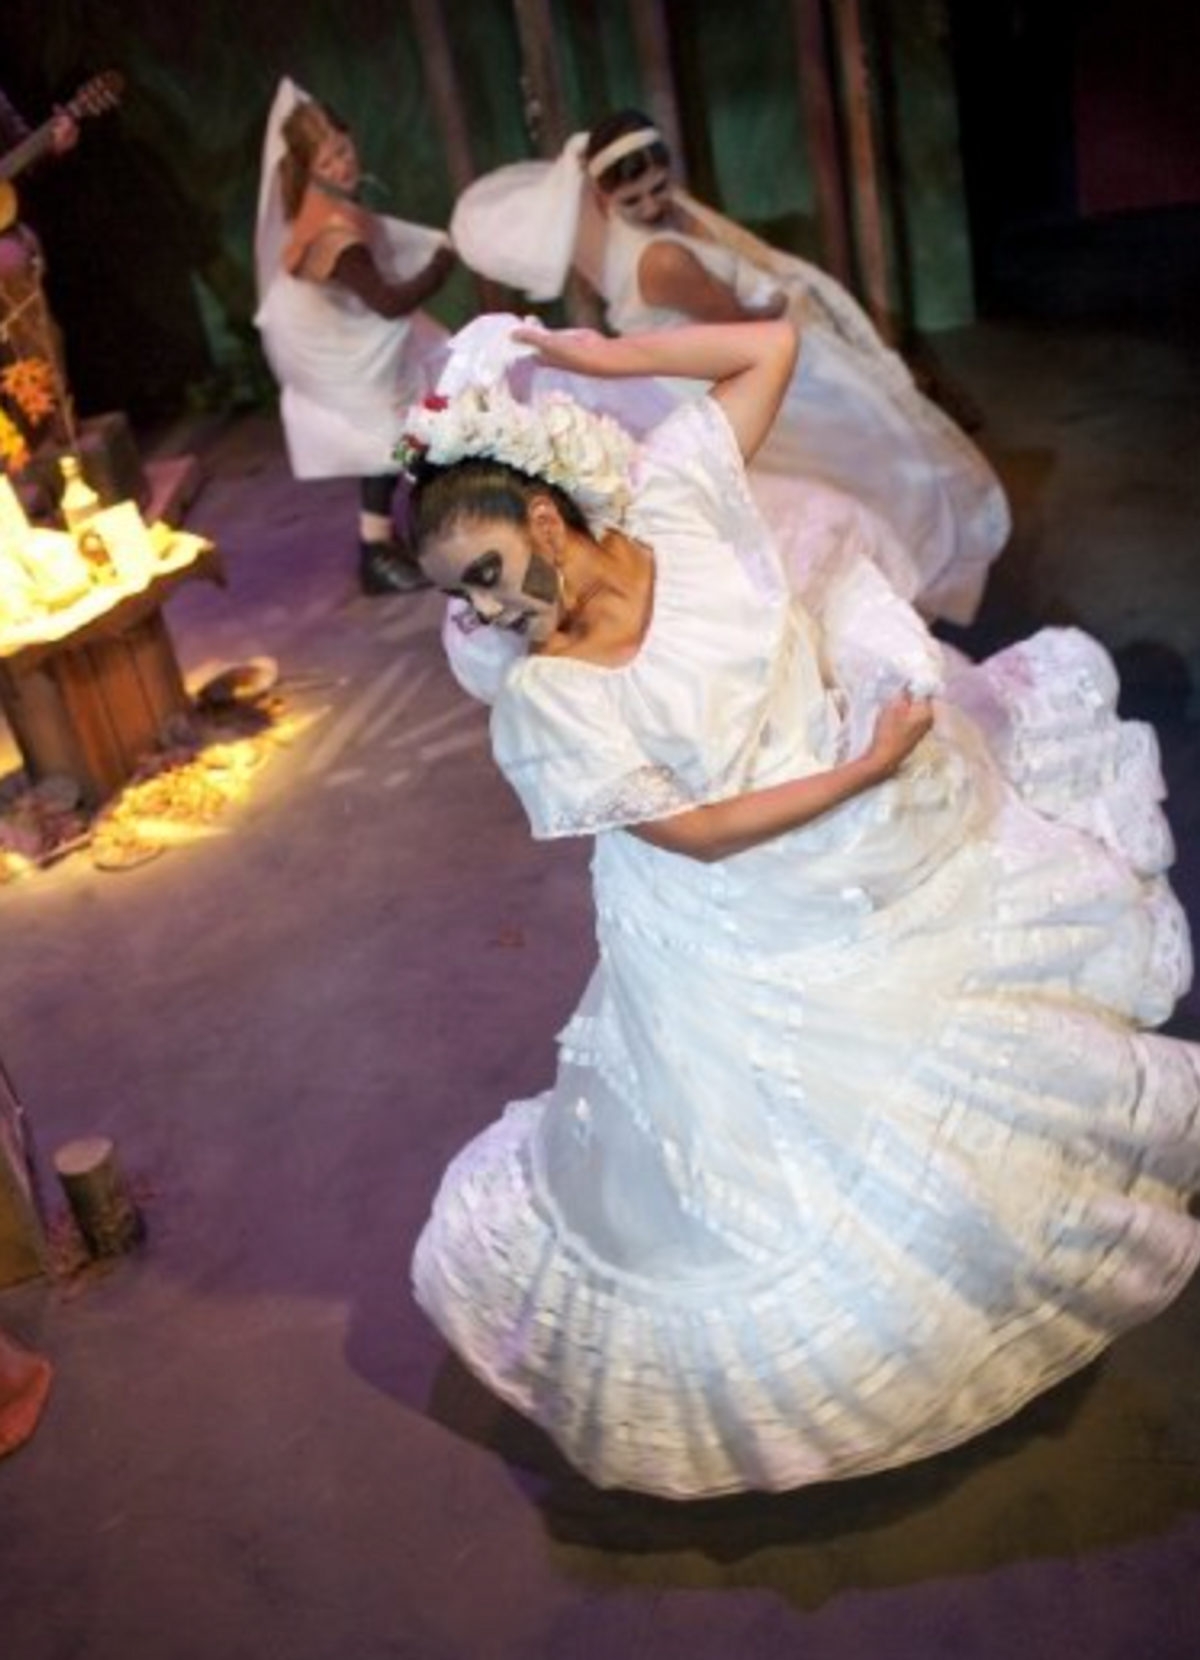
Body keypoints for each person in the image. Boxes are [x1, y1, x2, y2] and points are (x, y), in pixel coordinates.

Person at [401, 312, 1199, 1500]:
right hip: (735, 911)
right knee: (786, 1168)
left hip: (862, 844)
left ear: (551, 517)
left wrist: (582, 362)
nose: (481, 616)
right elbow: (701, 834)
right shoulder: (549, 699)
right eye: (459, 596)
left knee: (979, 1064)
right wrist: (863, 770)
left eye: (486, 574)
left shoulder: (675, 496)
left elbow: (769, 346)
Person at [450, 110, 1011, 624]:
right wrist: (777, 299)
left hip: (697, 365)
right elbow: (737, 320)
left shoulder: (627, 238)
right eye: (635, 200)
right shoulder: (663, 257)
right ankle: (891, 579)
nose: (651, 207)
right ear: (601, 194)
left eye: (658, 190)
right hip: (737, 363)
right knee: (865, 456)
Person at [254, 79, 456, 596]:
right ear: (309, 170)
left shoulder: (326, 202)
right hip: (326, 340)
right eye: (327, 162)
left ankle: (407, 529)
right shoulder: (334, 234)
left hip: (327, 323)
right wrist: (442, 262)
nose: (342, 166)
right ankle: (376, 550)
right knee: (388, 432)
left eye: (343, 150)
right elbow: (390, 304)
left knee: (407, 422)